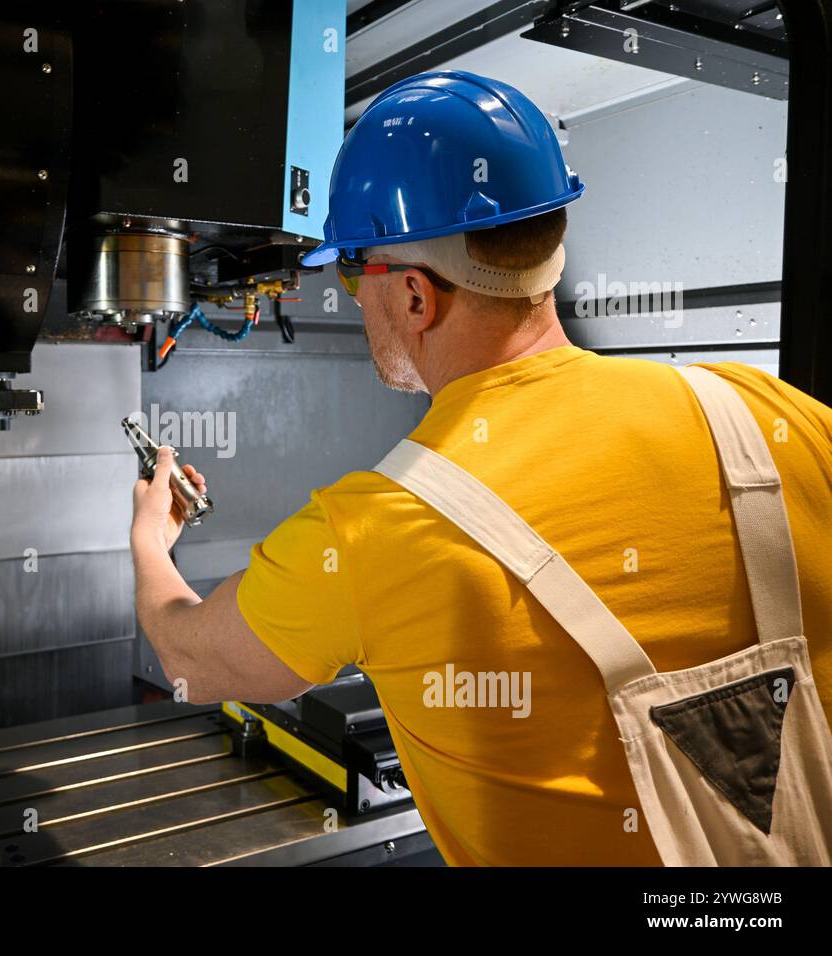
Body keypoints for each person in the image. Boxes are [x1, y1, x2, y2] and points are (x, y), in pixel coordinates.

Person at [130, 70, 832, 865]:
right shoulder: (765, 412)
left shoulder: (376, 527)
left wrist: (151, 538)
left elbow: (191, 660)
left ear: (417, 297)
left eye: (356, 271)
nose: (355, 298)